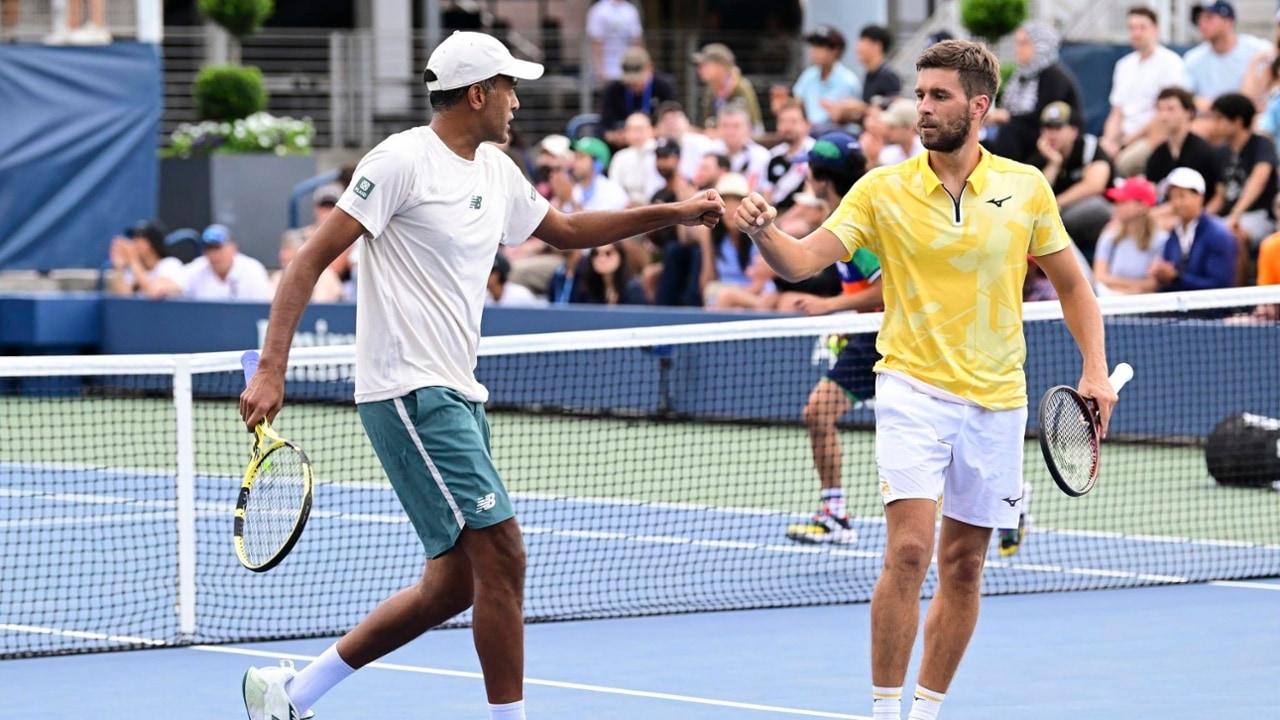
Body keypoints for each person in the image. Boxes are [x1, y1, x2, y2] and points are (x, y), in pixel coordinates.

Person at [237, 31, 723, 720]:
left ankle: (290, 694)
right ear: (476, 94)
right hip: (409, 390)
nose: (516, 101)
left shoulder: (496, 169)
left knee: (453, 586)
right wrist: (271, 369)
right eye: (509, 87)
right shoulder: (400, 160)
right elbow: (309, 261)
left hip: (460, 393)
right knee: (505, 554)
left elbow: (568, 231)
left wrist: (674, 211)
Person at [732, 40, 1115, 720]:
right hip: (911, 388)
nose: (924, 108)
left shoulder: (1026, 187)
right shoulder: (881, 189)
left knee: (964, 566)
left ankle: (927, 710)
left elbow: (1073, 286)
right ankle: (886, 712)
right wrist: (764, 234)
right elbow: (803, 260)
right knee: (909, 552)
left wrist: (1094, 369)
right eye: (920, 95)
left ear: (979, 106)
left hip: (997, 399)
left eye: (939, 96)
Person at [779, 132, 883, 545]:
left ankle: (1010, 497)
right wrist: (850, 319)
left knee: (937, 432)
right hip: (870, 332)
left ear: (821, 178)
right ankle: (835, 513)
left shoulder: (854, 222)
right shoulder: (846, 213)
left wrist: (831, 306)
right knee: (818, 412)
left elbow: (889, 286)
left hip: (890, 337)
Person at [1100, 6, 1185, 178]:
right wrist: (1108, 141)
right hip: (1124, 138)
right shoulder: (1123, 66)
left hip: (1153, 137)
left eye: (1142, 27)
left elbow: (1165, 114)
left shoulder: (1171, 63)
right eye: (1132, 28)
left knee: (1124, 163)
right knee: (1095, 157)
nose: (1136, 33)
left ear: (1156, 30)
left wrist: (1126, 142)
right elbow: (1116, 112)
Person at [985, 20, 1084, 164]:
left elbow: (1042, 116)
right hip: (1026, 135)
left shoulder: (1054, 76)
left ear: (1041, 45)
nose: (1018, 49)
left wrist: (1007, 117)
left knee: (1009, 132)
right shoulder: (1022, 75)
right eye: (1017, 43)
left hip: (1051, 138)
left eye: (1024, 43)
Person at [1150, 167, 1238, 292]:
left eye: (1181, 196)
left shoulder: (1218, 234)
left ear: (1199, 197)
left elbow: (1219, 285)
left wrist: (1176, 277)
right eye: (1172, 197)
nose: (1176, 203)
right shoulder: (1173, 234)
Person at [151, 224, 272, 301]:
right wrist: (163, 286)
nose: (214, 255)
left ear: (233, 248)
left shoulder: (252, 270)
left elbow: (261, 309)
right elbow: (173, 283)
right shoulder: (199, 267)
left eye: (218, 248)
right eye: (209, 249)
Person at [1093, 176, 1167, 295]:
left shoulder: (1161, 239)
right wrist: (1129, 291)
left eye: (1123, 201)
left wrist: (1114, 284)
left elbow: (1152, 284)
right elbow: (1098, 277)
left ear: (1142, 206)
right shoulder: (1109, 236)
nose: (1116, 206)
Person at [106, 221, 184, 298]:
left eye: (138, 239)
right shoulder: (132, 270)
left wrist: (133, 260)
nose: (133, 243)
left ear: (151, 243)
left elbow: (153, 292)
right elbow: (122, 297)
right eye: (133, 239)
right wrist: (119, 266)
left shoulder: (170, 264)